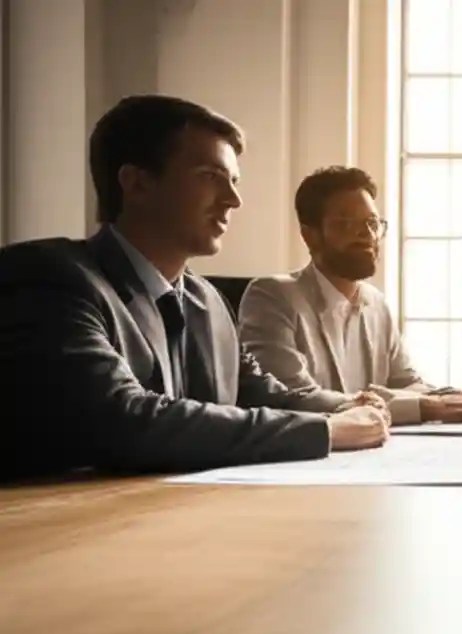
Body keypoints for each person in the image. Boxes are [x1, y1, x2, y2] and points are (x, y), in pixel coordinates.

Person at [0, 95, 389, 480]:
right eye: (210, 177)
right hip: (55, 528)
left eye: (234, 182)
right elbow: (120, 420)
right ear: (136, 184)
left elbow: (263, 396)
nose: (233, 200)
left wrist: (346, 409)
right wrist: (325, 431)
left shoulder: (208, 302)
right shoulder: (50, 279)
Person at [238, 166, 462, 426]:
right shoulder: (272, 296)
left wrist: (446, 395)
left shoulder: (377, 303)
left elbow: (406, 382)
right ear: (309, 235)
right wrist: (424, 407)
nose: (367, 236)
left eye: (372, 223)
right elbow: (292, 397)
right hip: (308, 455)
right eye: (346, 224)